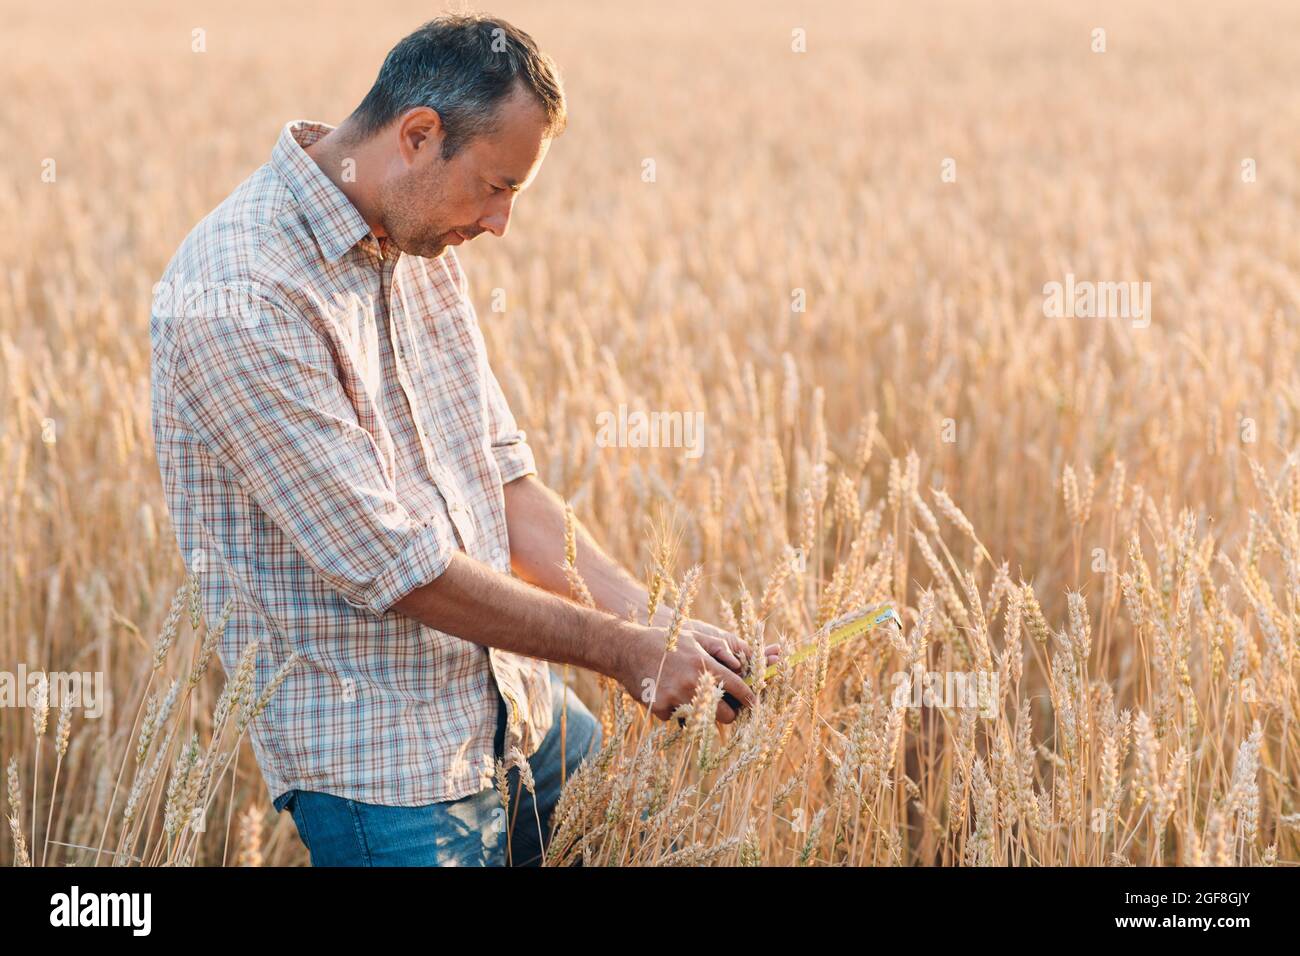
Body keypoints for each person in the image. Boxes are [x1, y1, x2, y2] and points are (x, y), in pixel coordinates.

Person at [148, 13, 777, 866]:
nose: (500, 223)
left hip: (520, 714)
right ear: (417, 135)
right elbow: (394, 567)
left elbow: (505, 487)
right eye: (495, 186)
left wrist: (656, 626)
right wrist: (624, 653)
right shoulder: (241, 295)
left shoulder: (418, 244)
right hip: (388, 772)